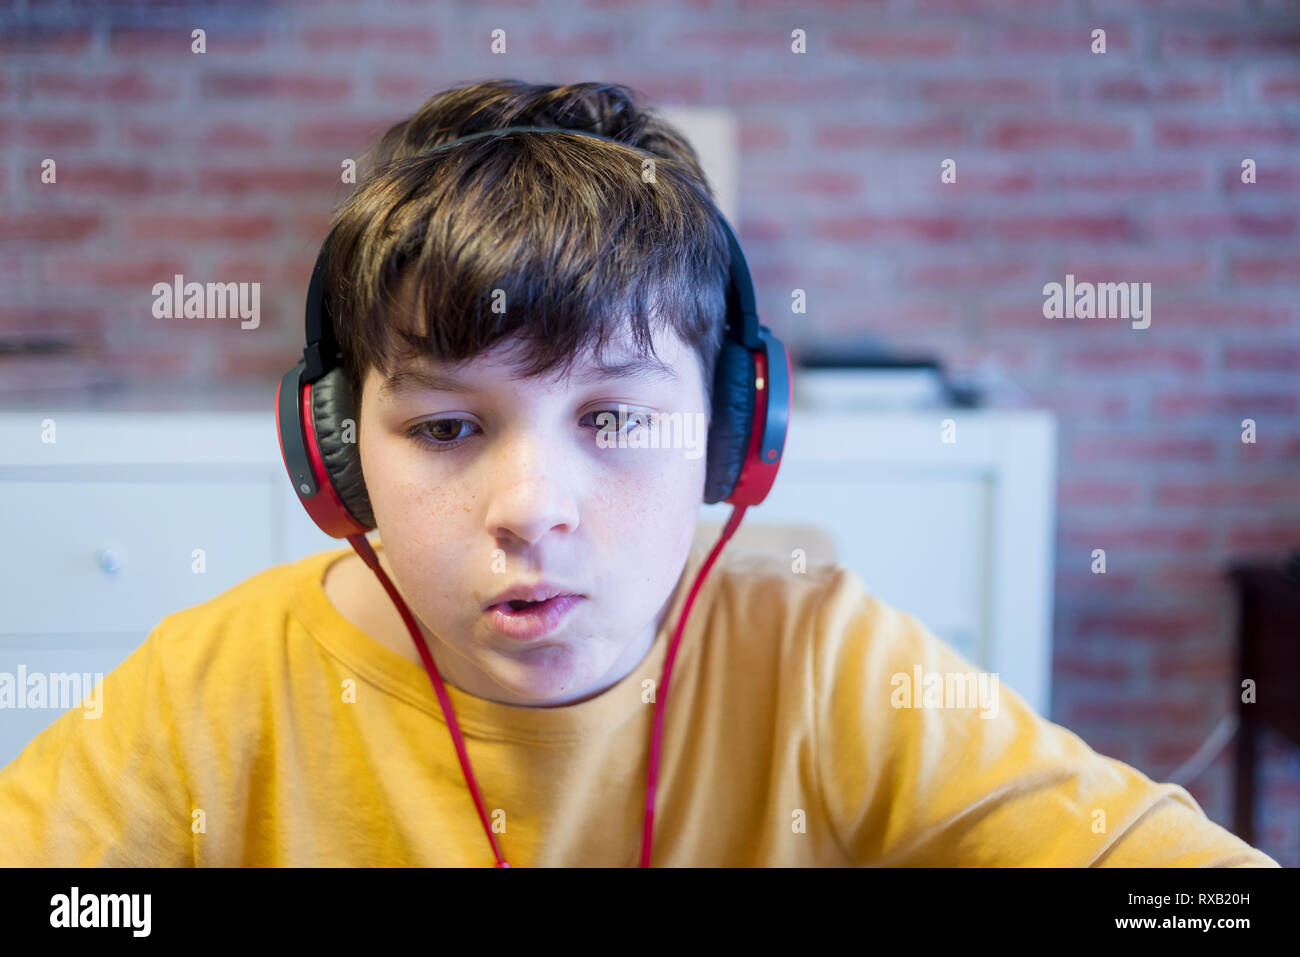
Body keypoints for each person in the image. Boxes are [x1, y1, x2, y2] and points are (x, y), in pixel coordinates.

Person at [0, 79, 1278, 867]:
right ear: (333, 456)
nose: (530, 509)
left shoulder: (823, 665)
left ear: (732, 438)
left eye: (613, 422)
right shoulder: (211, 693)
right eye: (447, 430)